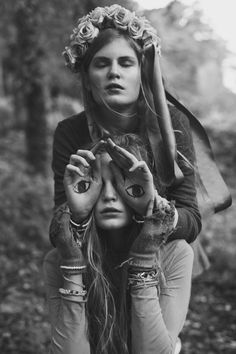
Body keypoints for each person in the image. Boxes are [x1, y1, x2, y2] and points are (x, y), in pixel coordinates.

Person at [43, 4, 231, 353]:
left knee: (150, 334)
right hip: (94, 256)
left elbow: (188, 218)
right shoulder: (70, 131)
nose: (114, 72)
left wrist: (151, 209)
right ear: (87, 75)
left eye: (125, 63)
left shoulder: (169, 126)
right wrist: (80, 216)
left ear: (141, 71)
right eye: (102, 63)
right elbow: (62, 215)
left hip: (159, 251)